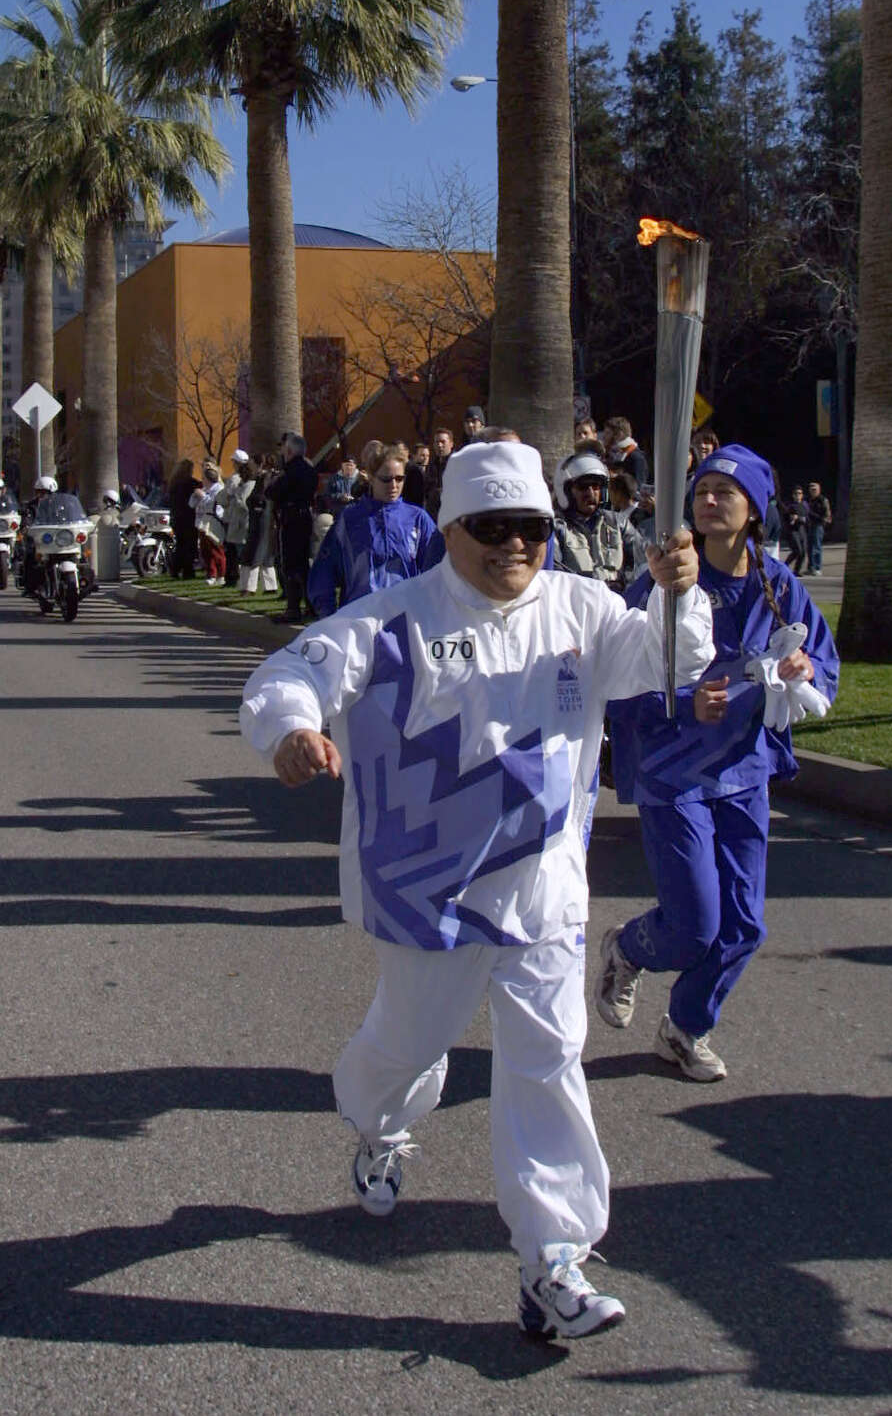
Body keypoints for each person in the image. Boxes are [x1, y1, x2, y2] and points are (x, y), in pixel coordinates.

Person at [239, 440, 713, 1340]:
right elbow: (290, 672)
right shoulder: (394, 620)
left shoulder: (582, 607)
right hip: (428, 897)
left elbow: (668, 662)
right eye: (490, 528)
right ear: (451, 528)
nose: (513, 546)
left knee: (547, 1062)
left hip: (543, 893)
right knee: (405, 1048)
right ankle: (377, 1125)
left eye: (529, 527)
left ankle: (553, 1261)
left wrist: (680, 591)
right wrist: (292, 729)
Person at [600, 445, 839, 1081]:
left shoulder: (777, 583)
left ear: (754, 510)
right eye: (701, 490)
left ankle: (684, 1028)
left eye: (723, 493)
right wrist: (680, 700)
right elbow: (617, 673)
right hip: (672, 773)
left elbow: (823, 657)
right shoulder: (664, 580)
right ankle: (627, 947)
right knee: (694, 926)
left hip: (744, 772)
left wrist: (805, 667)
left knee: (744, 925)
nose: (708, 500)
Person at [307, 446, 437, 617]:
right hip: (359, 620)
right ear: (371, 478)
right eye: (386, 479)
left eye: (399, 479)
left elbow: (438, 569)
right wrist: (328, 616)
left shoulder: (417, 519)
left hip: (405, 620)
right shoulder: (350, 519)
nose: (394, 485)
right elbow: (324, 570)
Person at [552, 451, 644, 591]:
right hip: (578, 605)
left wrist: (625, 585)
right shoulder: (558, 527)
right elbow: (556, 574)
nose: (590, 493)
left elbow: (641, 562)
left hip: (618, 603)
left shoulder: (618, 523)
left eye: (595, 486)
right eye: (583, 487)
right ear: (567, 491)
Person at [268, 432, 319, 623]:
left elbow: (273, 492)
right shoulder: (309, 469)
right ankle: (311, 606)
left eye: (283, 448)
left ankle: (293, 609)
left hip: (291, 518)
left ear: (289, 450)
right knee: (303, 563)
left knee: (290, 564)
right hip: (305, 516)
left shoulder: (290, 470)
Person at [238, 454, 279, 595]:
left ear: (259, 465)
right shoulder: (261, 479)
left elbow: (263, 498)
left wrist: (257, 506)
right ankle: (270, 586)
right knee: (264, 553)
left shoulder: (265, 479)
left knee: (255, 552)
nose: (250, 468)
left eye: (251, 465)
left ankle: (249, 587)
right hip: (261, 519)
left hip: (262, 520)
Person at [222, 451, 255, 586]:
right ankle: (235, 578)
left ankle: (239, 579)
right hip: (233, 518)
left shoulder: (238, 480)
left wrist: (233, 498)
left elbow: (235, 498)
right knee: (233, 551)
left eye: (234, 462)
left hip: (237, 519)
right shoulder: (238, 479)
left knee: (236, 552)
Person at [167, 458, 199, 579]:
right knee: (190, 545)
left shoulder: (174, 483)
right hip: (189, 518)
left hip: (177, 518)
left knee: (181, 544)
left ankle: (176, 569)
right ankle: (187, 570)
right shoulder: (191, 483)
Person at [602, 416, 649, 486]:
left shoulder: (636, 458)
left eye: (608, 433)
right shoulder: (610, 456)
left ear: (619, 435)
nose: (604, 436)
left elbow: (638, 489)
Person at [423, 427, 454, 520]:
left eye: (443, 442)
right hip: (433, 515)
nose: (439, 445)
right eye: (437, 442)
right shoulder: (431, 465)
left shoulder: (456, 463)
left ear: (451, 444)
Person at [806, 481, 832, 575]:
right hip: (809, 525)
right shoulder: (808, 500)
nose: (813, 491)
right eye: (811, 489)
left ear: (819, 490)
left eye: (815, 489)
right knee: (809, 547)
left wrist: (823, 521)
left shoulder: (822, 500)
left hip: (818, 525)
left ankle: (817, 567)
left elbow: (827, 514)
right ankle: (811, 567)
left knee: (816, 546)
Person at [783, 485, 809, 576]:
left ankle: (796, 570)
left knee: (803, 552)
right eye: (796, 493)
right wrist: (793, 519)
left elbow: (807, 518)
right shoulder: (790, 506)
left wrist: (799, 518)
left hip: (802, 530)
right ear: (793, 495)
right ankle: (784, 566)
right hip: (793, 531)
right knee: (797, 550)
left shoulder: (804, 505)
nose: (798, 495)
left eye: (800, 493)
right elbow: (788, 518)